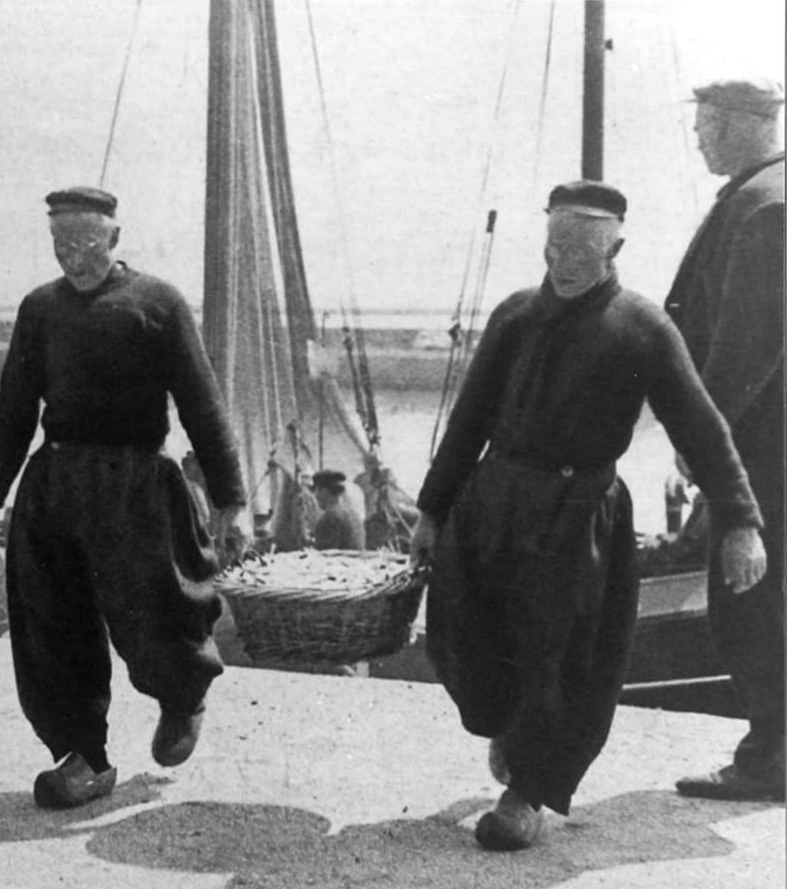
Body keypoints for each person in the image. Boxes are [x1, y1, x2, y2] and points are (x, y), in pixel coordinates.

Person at [410, 180, 766, 851]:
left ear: (615, 250)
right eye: (555, 245)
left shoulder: (643, 328)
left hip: (576, 520)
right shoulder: (514, 316)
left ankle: (527, 794)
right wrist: (432, 510)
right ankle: (507, 729)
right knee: (465, 640)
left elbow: (702, 430)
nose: (564, 261)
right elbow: (468, 420)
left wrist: (740, 522)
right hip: (493, 503)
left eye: (581, 249)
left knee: (559, 658)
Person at [0, 186, 245, 809]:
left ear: (114, 238)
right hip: (55, 484)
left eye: (85, 240)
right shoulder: (39, 309)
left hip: (137, 485)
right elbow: (13, 411)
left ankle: (182, 697)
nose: (72, 254)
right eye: (60, 242)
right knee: (51, 624)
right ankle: (83, 758)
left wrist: (231, 501)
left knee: (160, 611)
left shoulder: (158, 304)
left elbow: (202, 405)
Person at [665, 78, 785, 803]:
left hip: (761, 452)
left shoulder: (766, 206)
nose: (698, 139)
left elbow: (750, 348)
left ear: (741, 124)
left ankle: (767, 759)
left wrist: (699, 434)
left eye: (706, 126)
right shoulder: (764, 195)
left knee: (748, 603)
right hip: (768, 447)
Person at [310, 469, 364, 550]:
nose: (315, 496)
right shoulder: (354, 516)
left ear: (324, 491)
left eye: (316, 490)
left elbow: (324, 553)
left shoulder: (328, 519)